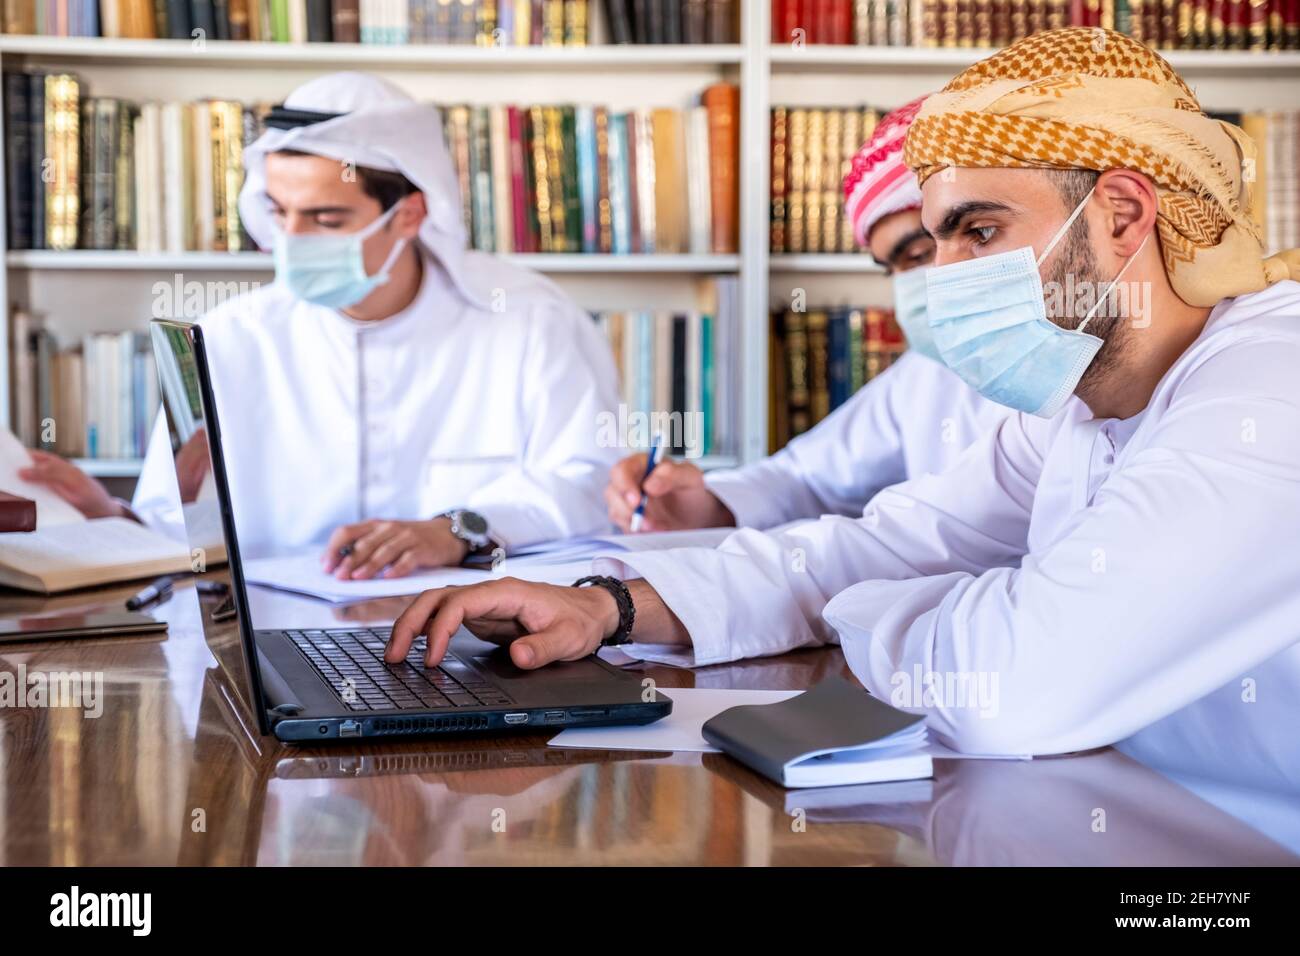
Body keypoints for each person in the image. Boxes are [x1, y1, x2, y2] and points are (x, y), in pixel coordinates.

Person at [384, 29, 1300, 758]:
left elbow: (1010, 693)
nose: (941, 280)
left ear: (1124, 215)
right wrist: (608, 606)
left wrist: (864, 608)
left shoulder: (1269, 388)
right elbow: (880, 544)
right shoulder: (1077, 402)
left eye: (977, 230)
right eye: (929, 244)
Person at [22, 73, 621, 579]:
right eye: (279, 213)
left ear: (409, 213)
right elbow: (180, 540)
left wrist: (457, 531)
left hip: (482, 643)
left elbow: (589, 484)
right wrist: (111, 520)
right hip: (275, 650)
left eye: (327, 218)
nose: (293, 241)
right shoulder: (230, 338)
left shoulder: (529, 319)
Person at [604, 98, 1010, 533]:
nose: (911, 289)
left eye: (917, 254)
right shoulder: (927, 374)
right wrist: (707, 506)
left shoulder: (1070, 383)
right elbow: (806, 477)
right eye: (894, 269)